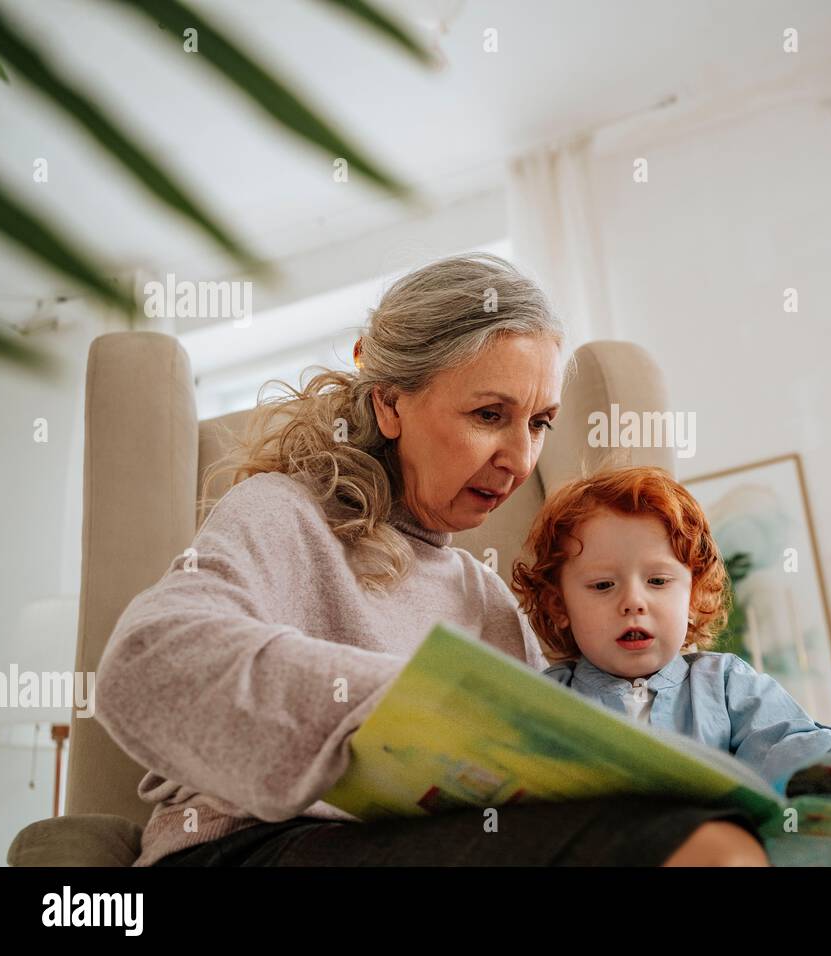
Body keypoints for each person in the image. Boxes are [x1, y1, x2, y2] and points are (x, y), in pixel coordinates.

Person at [93, 253, 767, 867]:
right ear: (389, 402)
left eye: (538, 424)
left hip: (416, 844)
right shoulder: (285, 514)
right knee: (701, 849)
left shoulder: (486, 598)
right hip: (246, 849)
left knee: (713, 832)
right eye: (488, 414)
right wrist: (420, 707)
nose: (519, 459)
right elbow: (146, 663)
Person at [510, 465, 831, 789]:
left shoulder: (726, 684)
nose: (633, 602)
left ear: (693, 600)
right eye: (602, 585)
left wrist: (828, 773)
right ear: (559, 605)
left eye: (657, 580)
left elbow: (791, 748)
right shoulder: (545, 700)